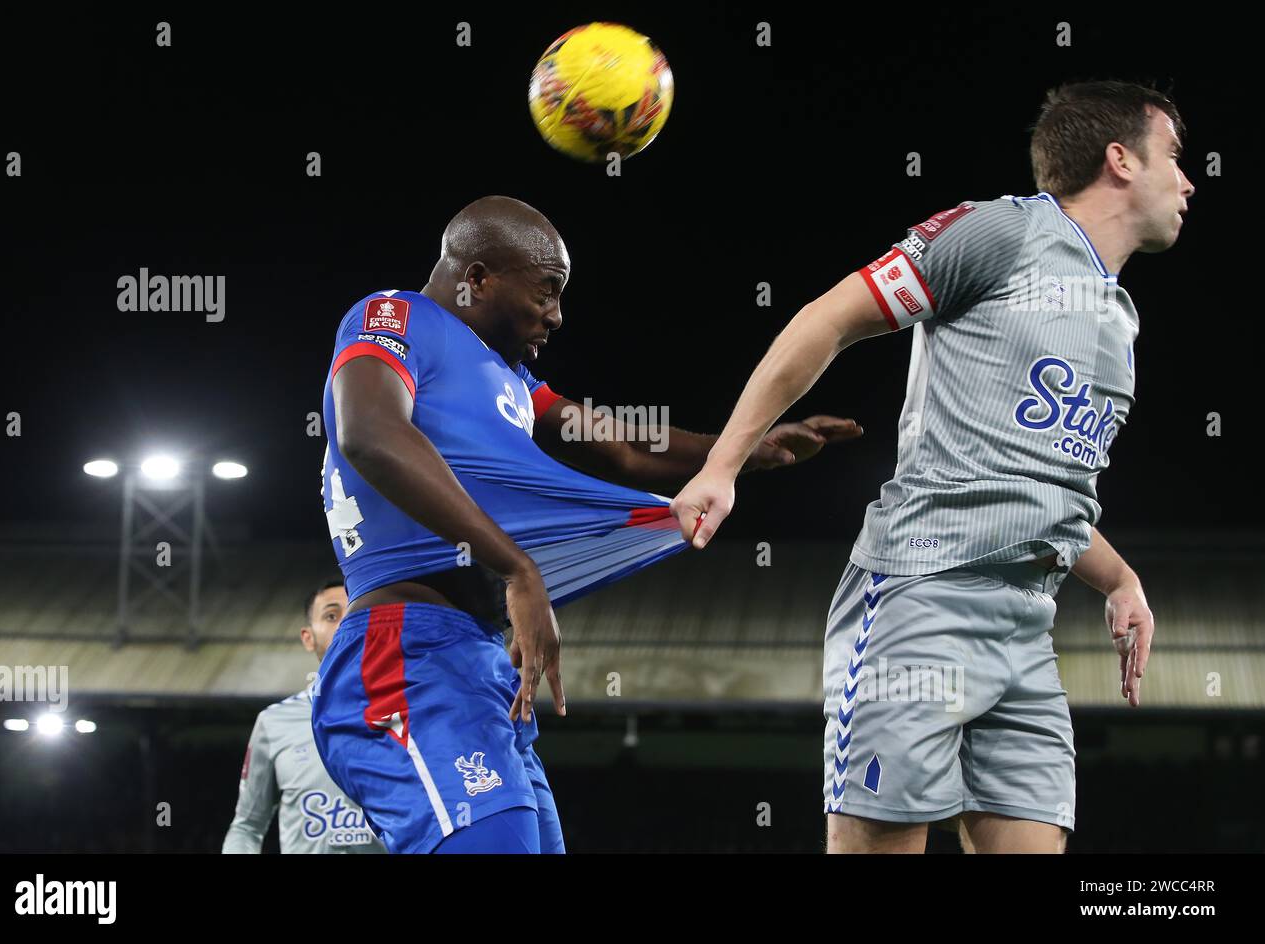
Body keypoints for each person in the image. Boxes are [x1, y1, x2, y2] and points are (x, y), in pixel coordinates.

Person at [670, 80, 1193, 853]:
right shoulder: (1000, 233)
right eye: (1175, 158)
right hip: (921, 602)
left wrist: (1119, 580)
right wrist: (724, 463)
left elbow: (1043, 493)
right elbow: (828, 318)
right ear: (1120, 158)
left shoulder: (1119, 319)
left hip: (1026, 632)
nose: (1188, 180)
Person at [312, 194, 863, 853]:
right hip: (403, 653)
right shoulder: (392, 315)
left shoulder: (511, 379)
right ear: (479, 277)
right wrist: (516, 567)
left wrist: (742, 450)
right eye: (546, 291)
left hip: (477, 662)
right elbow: (370, 433)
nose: (557, 314)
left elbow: (618, 447)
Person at [222, 579, 382, 853]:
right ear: (308, 638)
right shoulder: (274, 723)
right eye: (332, 616)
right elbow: (247, 827)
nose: (347, 624)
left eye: (357, 613)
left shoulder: (411, 716)